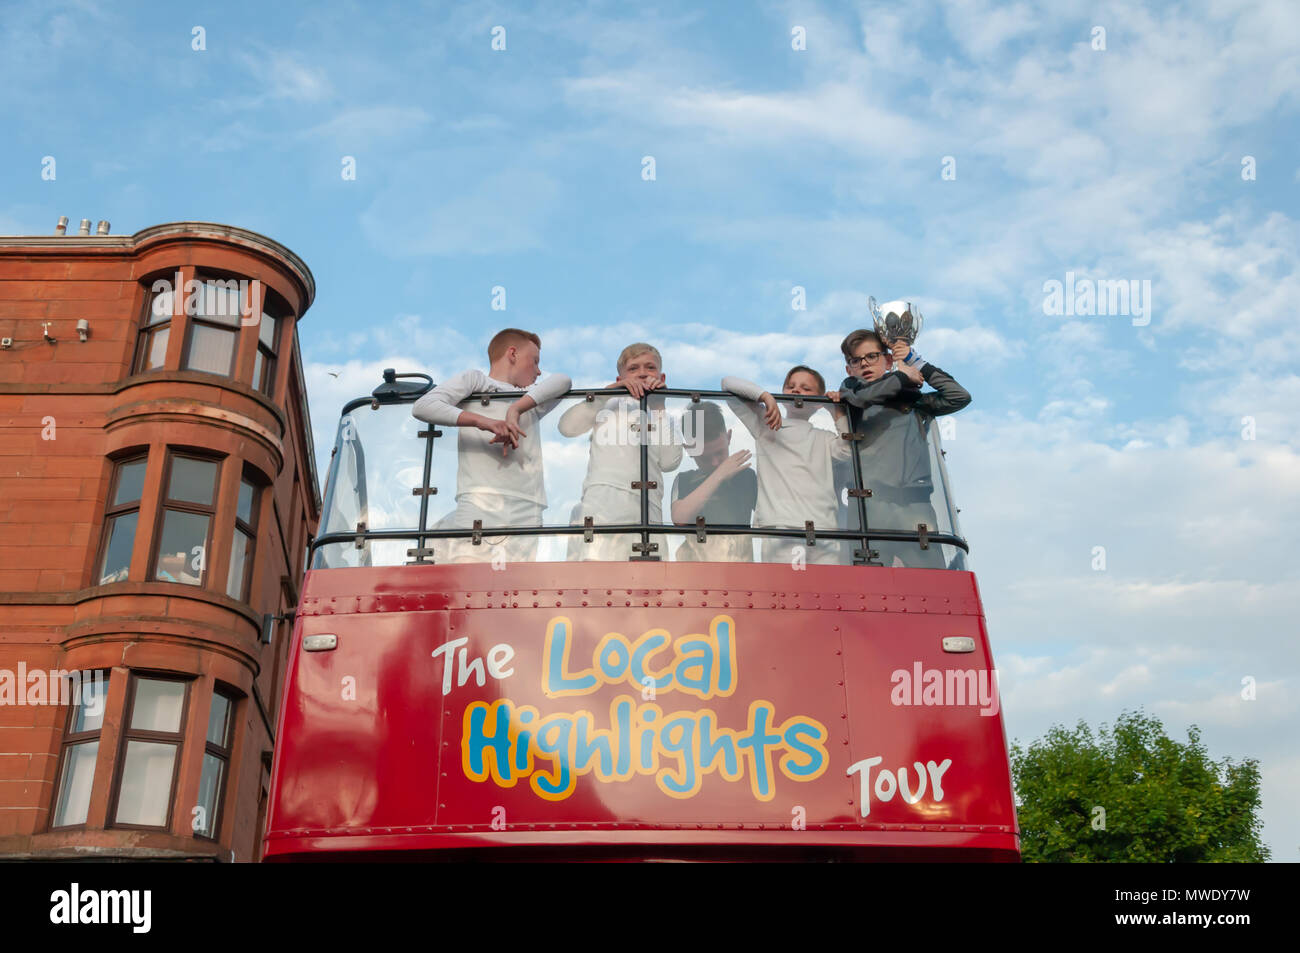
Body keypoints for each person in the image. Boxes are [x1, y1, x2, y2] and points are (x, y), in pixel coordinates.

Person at [411, 328, 571, 563]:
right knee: (468, 573)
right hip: (478, 500)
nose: (538, 371)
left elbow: (563, 380)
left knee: (519, 583)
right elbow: (423, 406)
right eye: (535, 361)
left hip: (528, 507)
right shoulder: (476, 381)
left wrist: (514, 410)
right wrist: (485, 423)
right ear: (513, 354)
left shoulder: (530, 399)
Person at [832, 325, 970, 568]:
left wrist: (912, 360)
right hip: (868, 506)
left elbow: (959, 396)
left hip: (916, 504)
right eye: (856, 360)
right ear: (849, 368)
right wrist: (903, 376)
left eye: (872, 356)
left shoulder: (915, 401)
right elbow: (864, 397)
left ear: (887, 359)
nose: (864, 364)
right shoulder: (851, 389)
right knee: (867, 583)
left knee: (931, 581)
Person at [558, 343, 682, 560]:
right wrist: (606, 394)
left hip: (646, 519)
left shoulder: (662, 417)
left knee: (648, 591)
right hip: (600, 516)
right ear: (619, 379)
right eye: (633, 369)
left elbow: (670, 461)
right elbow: (567, 428)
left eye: (650, 367)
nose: (642, 373)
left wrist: (660, 406)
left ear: (662, 377)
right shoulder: (604, 406)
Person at [721, 365, 852, 565]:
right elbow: (727, 383)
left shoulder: (824, 438)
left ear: (818, 403)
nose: (797, 391)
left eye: (806, 389)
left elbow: (847, 451)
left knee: (826, 593)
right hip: (781, 528)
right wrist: (765, 396)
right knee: (785, 593)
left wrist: (836, 411)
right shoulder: (767, 424)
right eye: (791, 386)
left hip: (824, 529)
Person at [669, 401, 757, 562]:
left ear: (729, 437)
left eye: (720, 453)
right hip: (693, 574)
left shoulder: (747, 476)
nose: (715, 462)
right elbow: (680, 519)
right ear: (689, 449)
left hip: (739, 572)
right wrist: (719, 475)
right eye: (705, 458)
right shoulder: (684, 480)